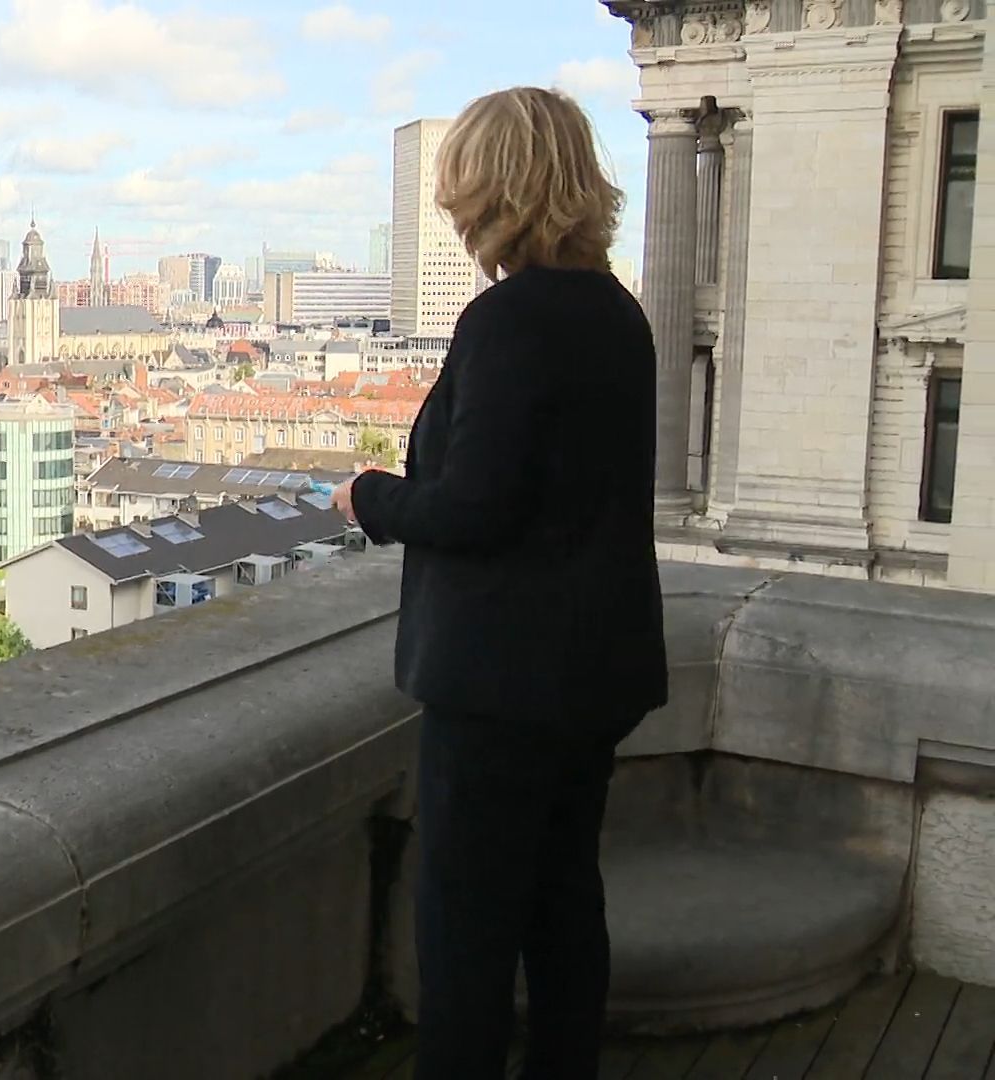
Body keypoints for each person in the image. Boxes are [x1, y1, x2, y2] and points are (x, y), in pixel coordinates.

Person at [331, 87, 668, 1079]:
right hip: (594, 673)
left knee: (467, 937)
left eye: (461, 191)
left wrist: (371, 497)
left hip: (501, 684)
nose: (452, 211)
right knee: (565, 909)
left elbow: (475, 511)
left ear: (498, 191)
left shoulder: (508, 319)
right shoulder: (616, 312)